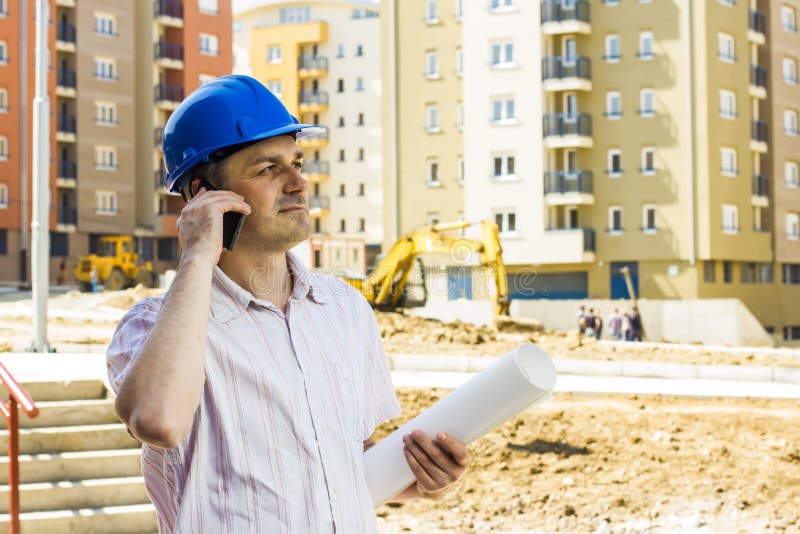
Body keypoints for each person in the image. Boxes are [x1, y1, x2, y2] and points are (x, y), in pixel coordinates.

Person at [106, 75, 471, 533]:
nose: (298, 182)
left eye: (296, 163)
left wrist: (419, 478)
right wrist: (199, 252)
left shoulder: (343, 308)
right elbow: (158, 420)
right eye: (268, 169)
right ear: (204, 195)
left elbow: (343, 464)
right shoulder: (152, 326)